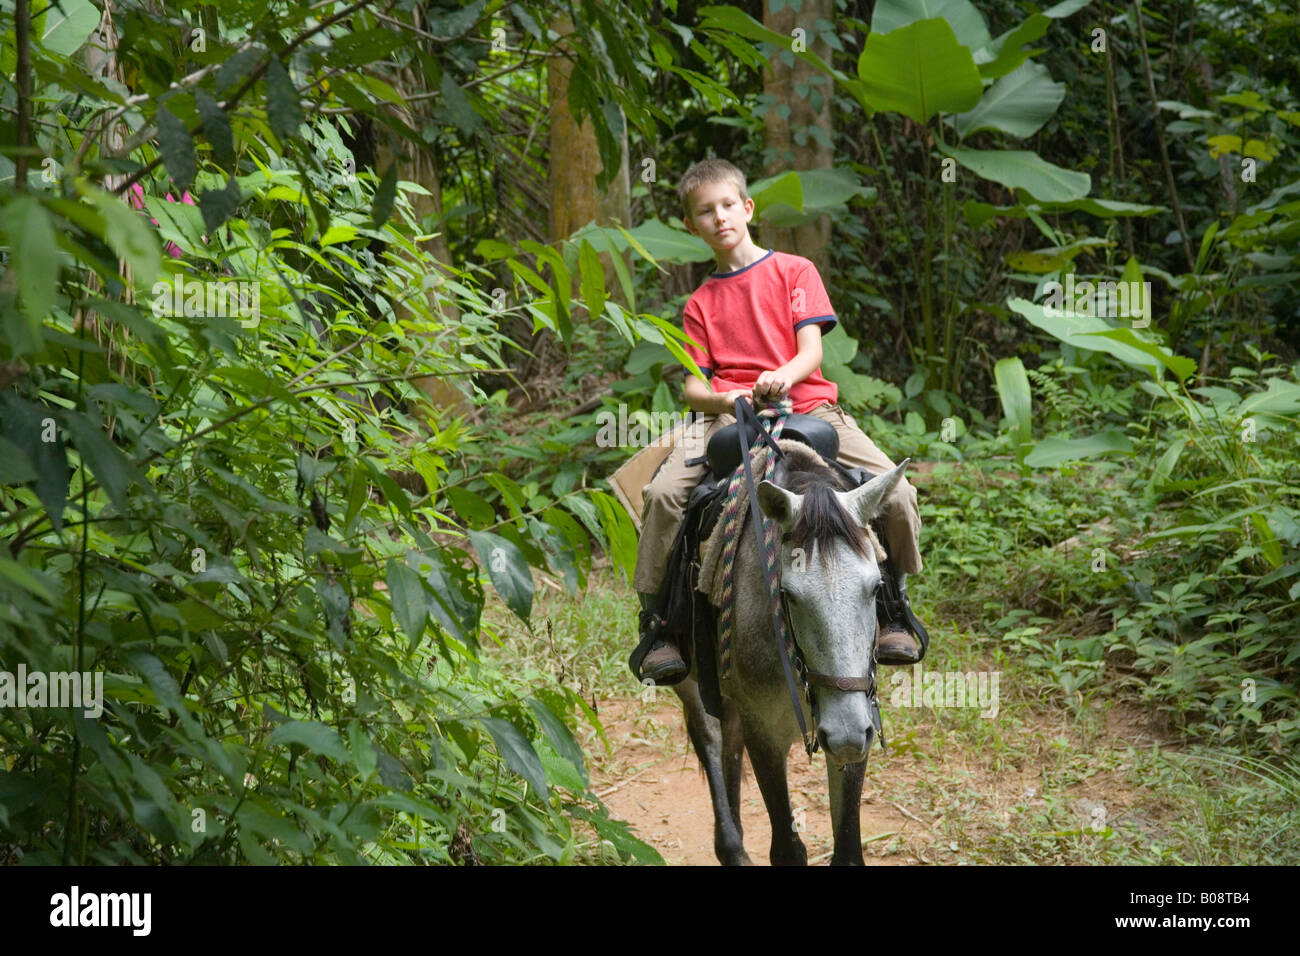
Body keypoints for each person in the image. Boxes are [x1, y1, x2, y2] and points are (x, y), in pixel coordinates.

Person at [631, 158, 927, 685]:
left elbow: (810, 351)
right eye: (705, 211)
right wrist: (731, 398)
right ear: (691, 225)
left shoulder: (794, 271)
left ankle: (894, 607)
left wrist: (781, 377)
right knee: (663, 495)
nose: (719, 217)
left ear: (747, 208)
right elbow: (694, 386)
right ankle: (659, 624)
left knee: (897, 492)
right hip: (732, 415)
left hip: (809, 406)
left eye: (727, 205)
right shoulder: (700, 303)